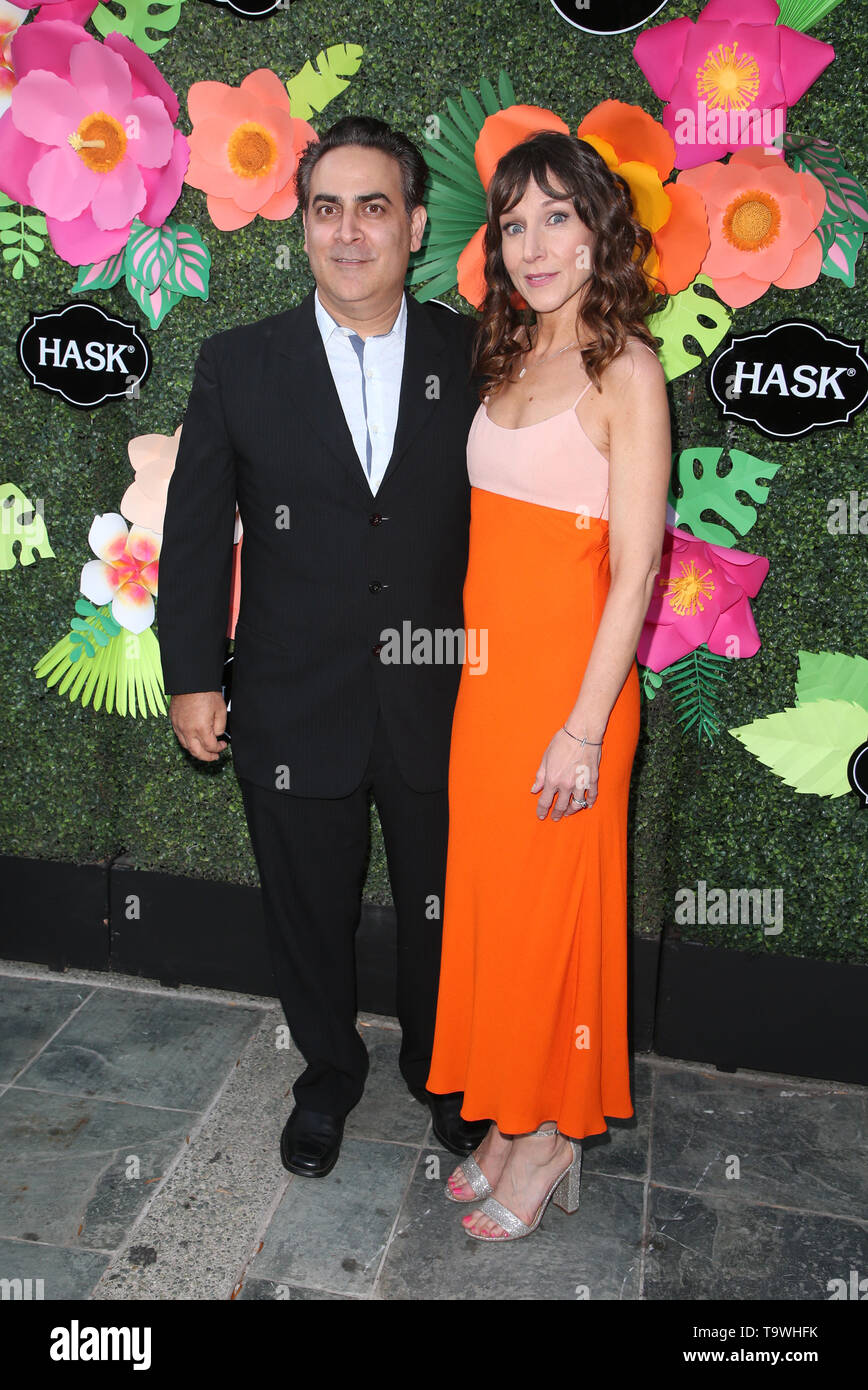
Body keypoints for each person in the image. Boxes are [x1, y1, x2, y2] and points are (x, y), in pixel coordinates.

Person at [157, 116, 490, 1179]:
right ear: (302, 227)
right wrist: (192, 676)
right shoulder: (238, 362)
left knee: (448, 906)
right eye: (326, 208)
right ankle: (326, 1078)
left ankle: (446, 1076)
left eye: (373, 206)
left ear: (415, 223)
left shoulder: (476, 356)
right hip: (294, 697)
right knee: (306, 910)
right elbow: (199, 530)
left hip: (446, 698)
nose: (349, 231)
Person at [426, 130, 671, 1240]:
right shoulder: (512, 352)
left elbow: (635, 572)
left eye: (557, 217)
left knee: (552, 920)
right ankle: (511, 1112)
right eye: (514, 222)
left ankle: (551, 1132)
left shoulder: (628, 369)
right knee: (496, 910)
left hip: (573, 700)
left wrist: (581, 729)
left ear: (599, 230)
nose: (533, 243)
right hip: (488, 691)